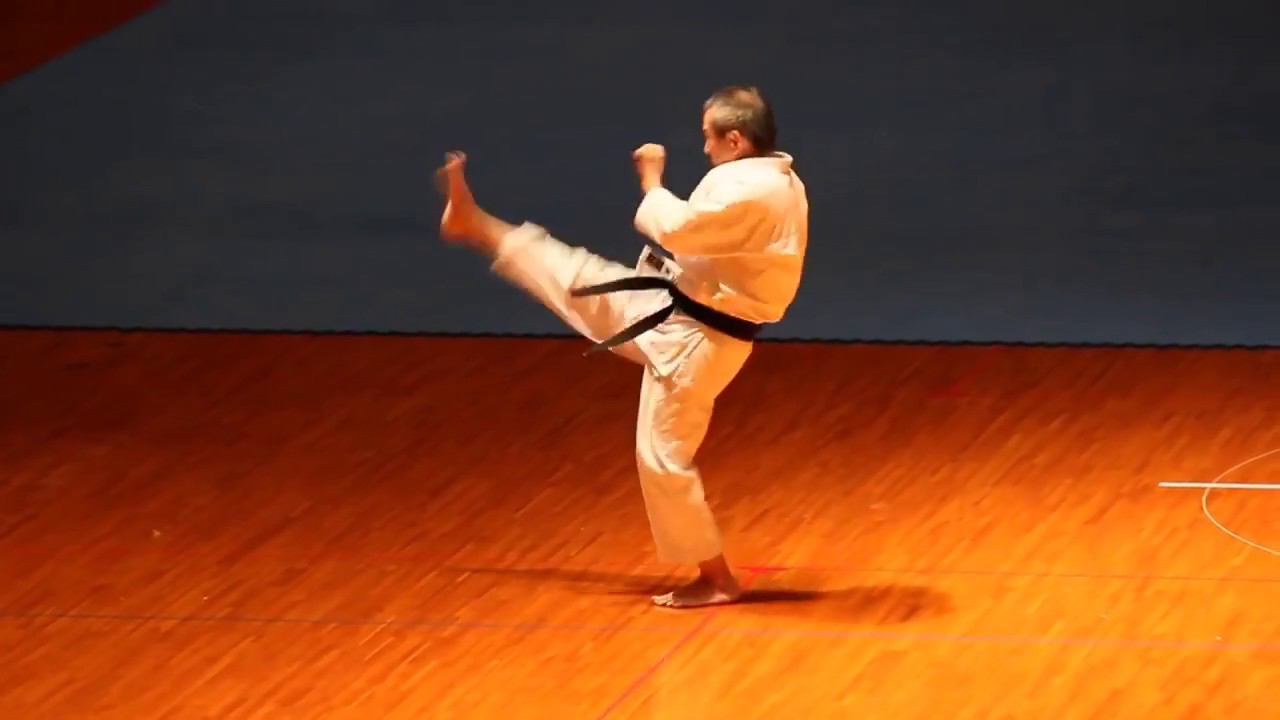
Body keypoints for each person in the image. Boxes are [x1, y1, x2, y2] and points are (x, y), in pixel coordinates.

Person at [436, 85, 809, 608]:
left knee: (661, 457)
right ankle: (476, 224)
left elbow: (679, 229)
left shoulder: (754, 190)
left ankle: (718, 579)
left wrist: (651, 179)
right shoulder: (770, 179)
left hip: (699, 342)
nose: (704, 147)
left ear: (735, 140)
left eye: (709, 137)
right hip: (680, 308)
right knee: (580, 279)